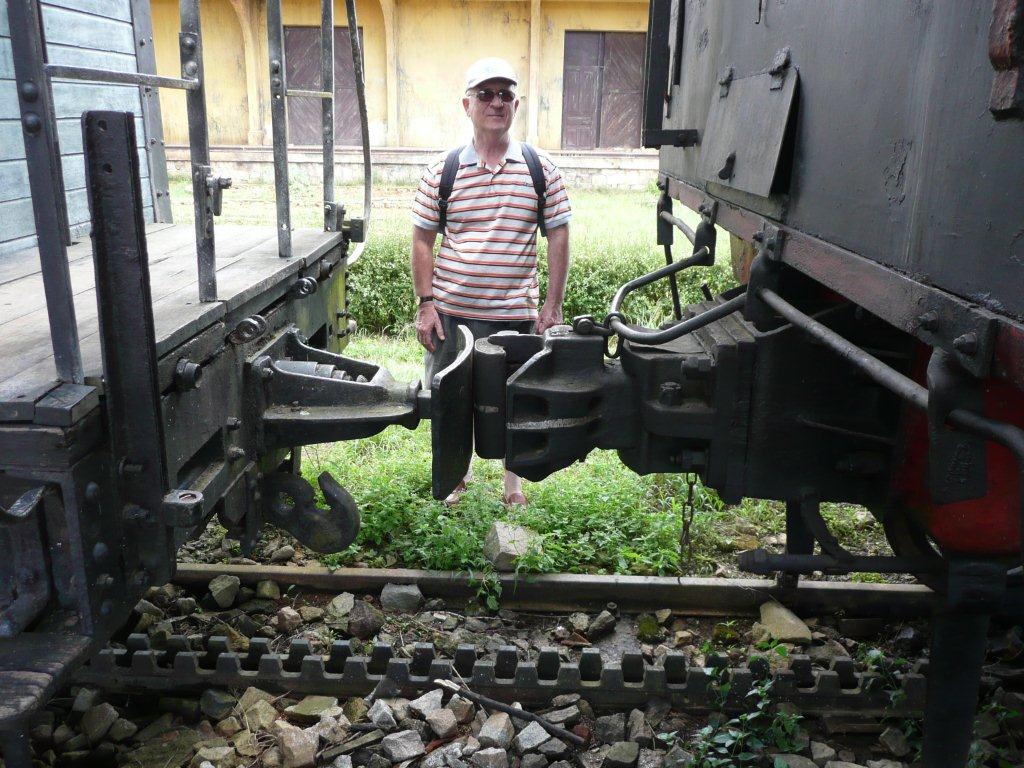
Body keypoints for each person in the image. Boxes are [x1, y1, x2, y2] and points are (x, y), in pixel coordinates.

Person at [410, 56, 572, 507]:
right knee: (449, 400)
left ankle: (512, 487)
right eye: (486, 94)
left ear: (516, 105)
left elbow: (559, 234)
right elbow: (422, 241)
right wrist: (426, 303)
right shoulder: (442, 171)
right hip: (452, 314)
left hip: (516, 316)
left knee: (515, 401)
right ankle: (453, 479)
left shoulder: (541, 169)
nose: (496, 102)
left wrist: (552, 306)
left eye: (505, 94)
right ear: (468, 105)